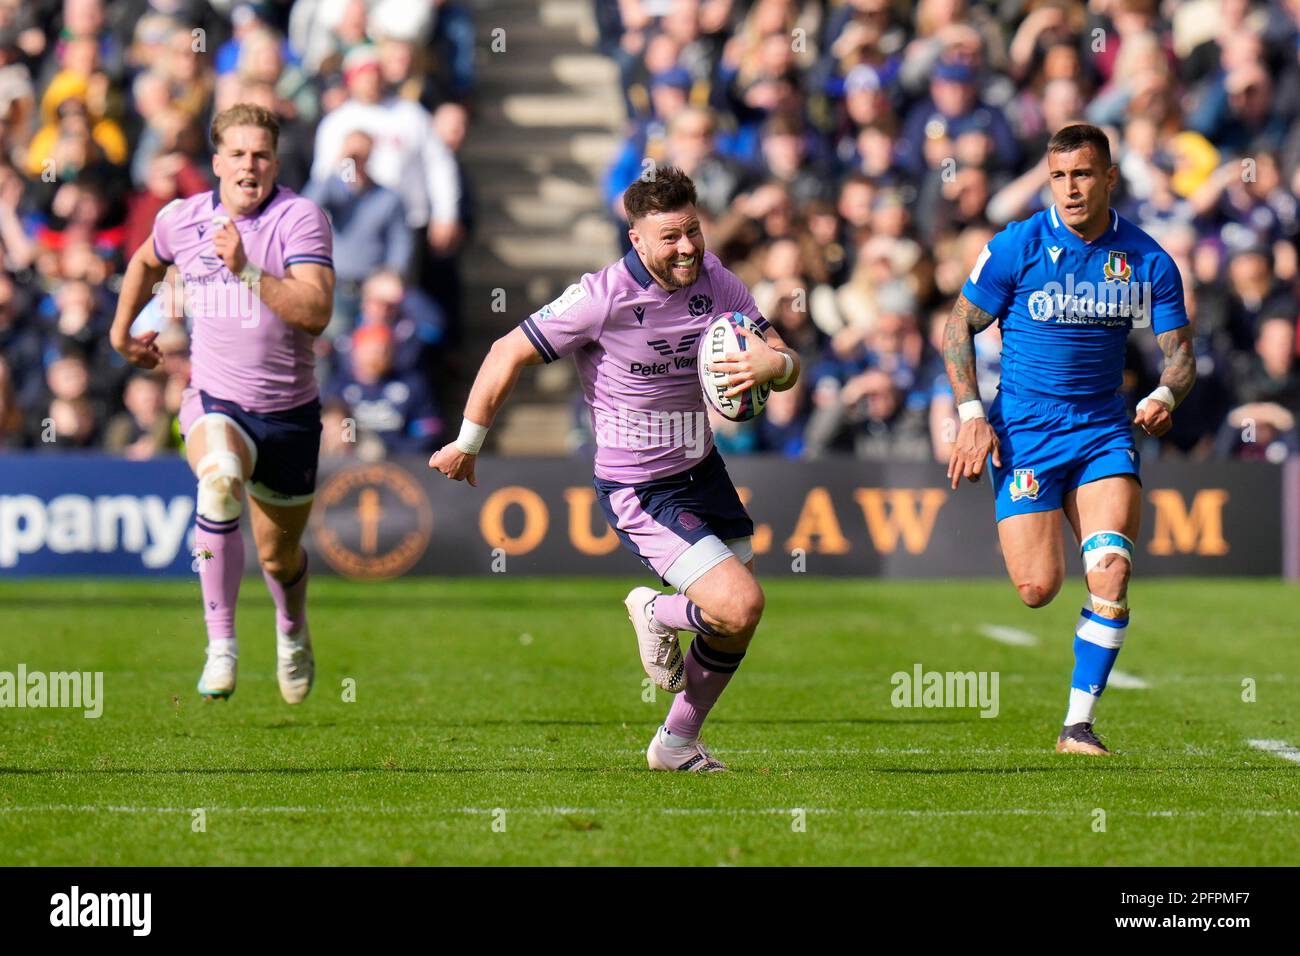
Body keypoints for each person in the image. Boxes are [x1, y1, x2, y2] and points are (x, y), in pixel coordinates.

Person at [429, 166, 801, 772]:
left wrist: (775, 369)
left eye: (693, 231)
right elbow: (507, 351)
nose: (686, 247)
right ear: (636, 240)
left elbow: (783, 357)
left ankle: (676, 743)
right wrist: (470, 441)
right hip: (640, 487)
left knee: (734, 623)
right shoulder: (600, 297)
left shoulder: (718, 281)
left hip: (703, 468)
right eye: (670, 237)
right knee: (740, 605)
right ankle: (654, 610)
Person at [943, 124, 1196, 756]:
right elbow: (957, 328)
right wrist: (972, 413)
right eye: (1058, 176)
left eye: (1082, 175)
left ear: (1110, 177)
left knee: (1109, 571)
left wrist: (1165, 396)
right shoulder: (1016, 246)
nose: (1070, 188)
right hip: (1024, 435)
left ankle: (1076, 727)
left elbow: (1181, 356)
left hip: (1103, 434)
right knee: (1037, 590)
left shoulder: (1146, 259)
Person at [109, 103, 334, 704]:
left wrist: (248, 270)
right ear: (216, 162)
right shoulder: (182, 218)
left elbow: (315, 314)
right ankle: (221, 645)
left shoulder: (300, 218)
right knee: (219, 482)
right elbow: (144, 260)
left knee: (279, 557)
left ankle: (291, 632)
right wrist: (120, 331)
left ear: (275, 162)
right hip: (215, 400)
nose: (248, 165)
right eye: (237, 153)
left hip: (289, 416)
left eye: (260, 154)